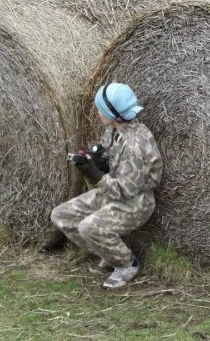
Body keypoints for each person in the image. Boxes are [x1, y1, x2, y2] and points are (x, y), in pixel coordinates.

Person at [51, 82, 163, 289]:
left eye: (101, 109)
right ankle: (107, 252)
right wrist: (96, 158)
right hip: (113, 191)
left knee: (88, 227)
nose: (98, 113)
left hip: (135, 203)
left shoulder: (134, 146)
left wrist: (93, 173)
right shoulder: (114, 130)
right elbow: (111, 155)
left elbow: (125, 191)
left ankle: (127, 264)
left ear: (115, 113)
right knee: (61, 215)